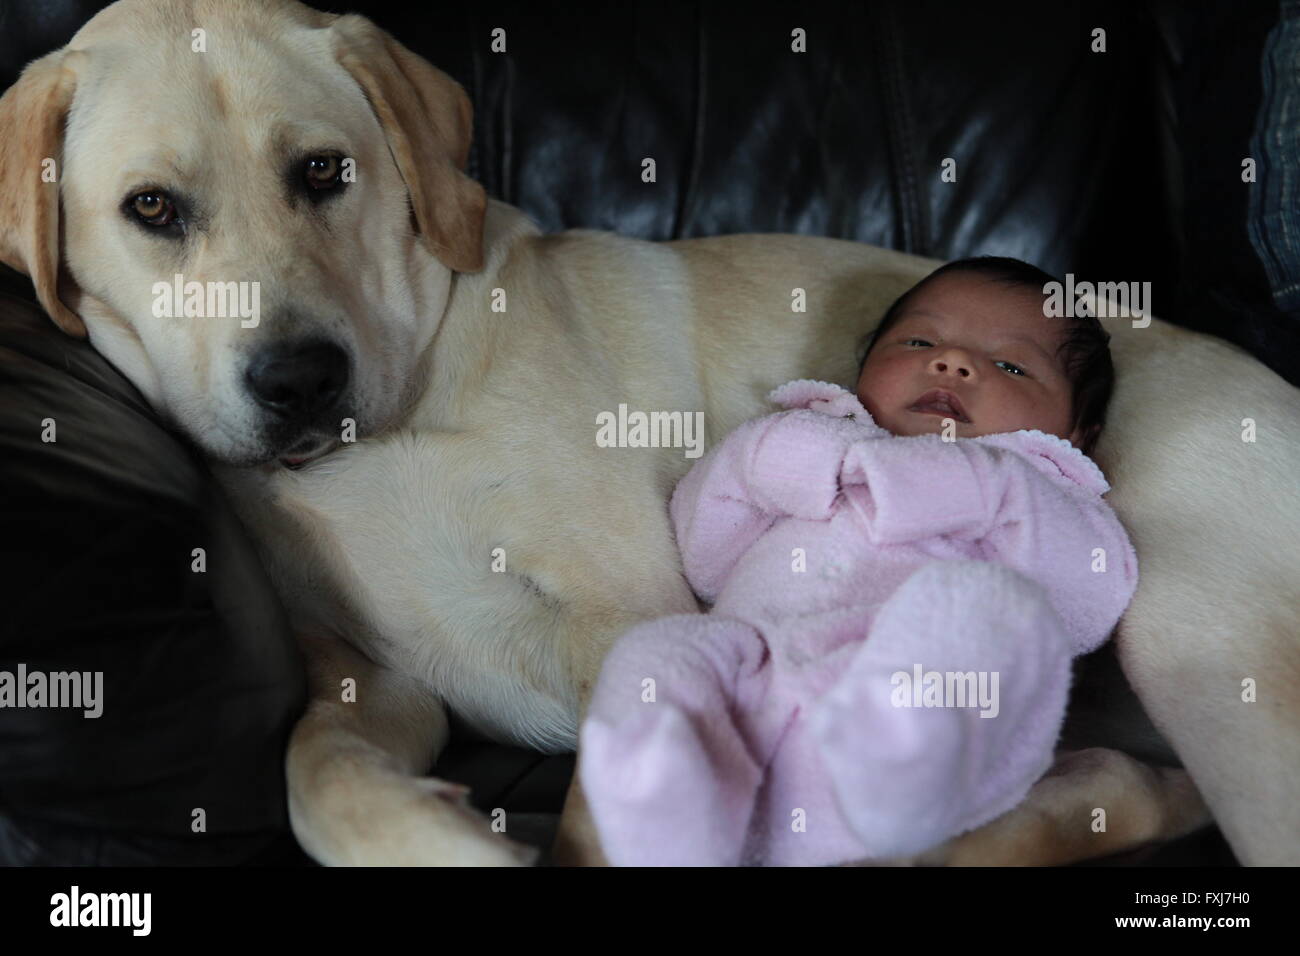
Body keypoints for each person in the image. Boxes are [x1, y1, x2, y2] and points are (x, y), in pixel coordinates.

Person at [578, 257, 1139, 866]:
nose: (952, 362)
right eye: (920, 340)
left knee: (989, 608)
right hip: (758, 694)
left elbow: (1090, 604)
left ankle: (897, 762)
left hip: (919, 755)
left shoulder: (1042, 490)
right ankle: (665, 816)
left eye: (1011, 365)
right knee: (661, 651)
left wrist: (988, 487)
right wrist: (768, 457)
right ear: (864, 367)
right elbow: (705, 556)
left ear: (1078, 432)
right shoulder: (818, 436)